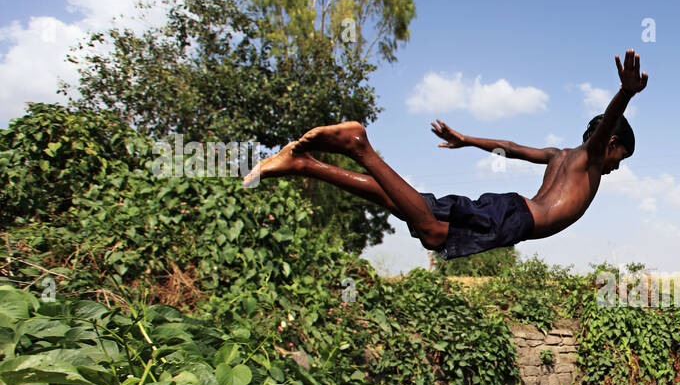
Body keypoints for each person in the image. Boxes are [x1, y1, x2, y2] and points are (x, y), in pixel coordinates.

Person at [243, 49, 648, 259]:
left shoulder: (560, 155)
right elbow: (603, 133)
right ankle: (358, 148)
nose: (614, 168)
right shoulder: (592, 157)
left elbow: (510, 149)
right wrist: (625, 93)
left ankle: (304, 163)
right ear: (611, 144)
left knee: (413, 208)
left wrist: (468, 140)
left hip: (509, 208)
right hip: (517, 219)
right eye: (619, 158)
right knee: (433, 234)